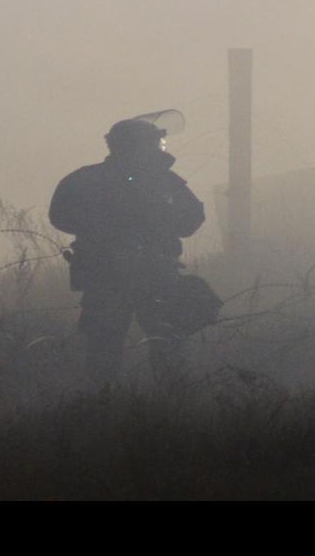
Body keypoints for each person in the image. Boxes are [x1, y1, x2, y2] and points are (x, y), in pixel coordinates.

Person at [49, 113, 206, 384]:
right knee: (157, 341)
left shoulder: (85, 179)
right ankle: (166, 400)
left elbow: (192, 217)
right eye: (155, 143)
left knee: (120, 344)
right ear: (141, 145)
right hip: (133, 273)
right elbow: (191, 219)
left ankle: (112, 401)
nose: (159, 148)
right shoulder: (163, 181)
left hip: (120, 274)